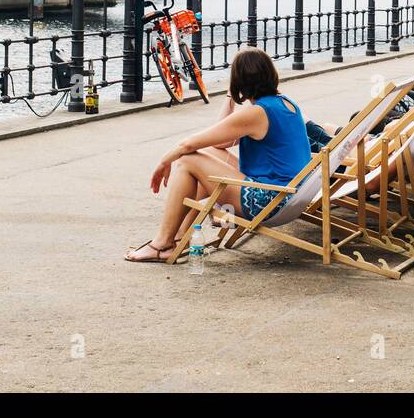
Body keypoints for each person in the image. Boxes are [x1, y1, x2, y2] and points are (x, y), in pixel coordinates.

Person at [126, 47, 311, 263]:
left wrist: (164, 161)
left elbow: (189, 144)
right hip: (291, 196)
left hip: (270, 201)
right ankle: (177, 238)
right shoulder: (286, 103)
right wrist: (230, 97)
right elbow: (221, 141)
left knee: (187, 160)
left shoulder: (257, 113)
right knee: (208, 153)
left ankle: (161, 243)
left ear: (239, 81)